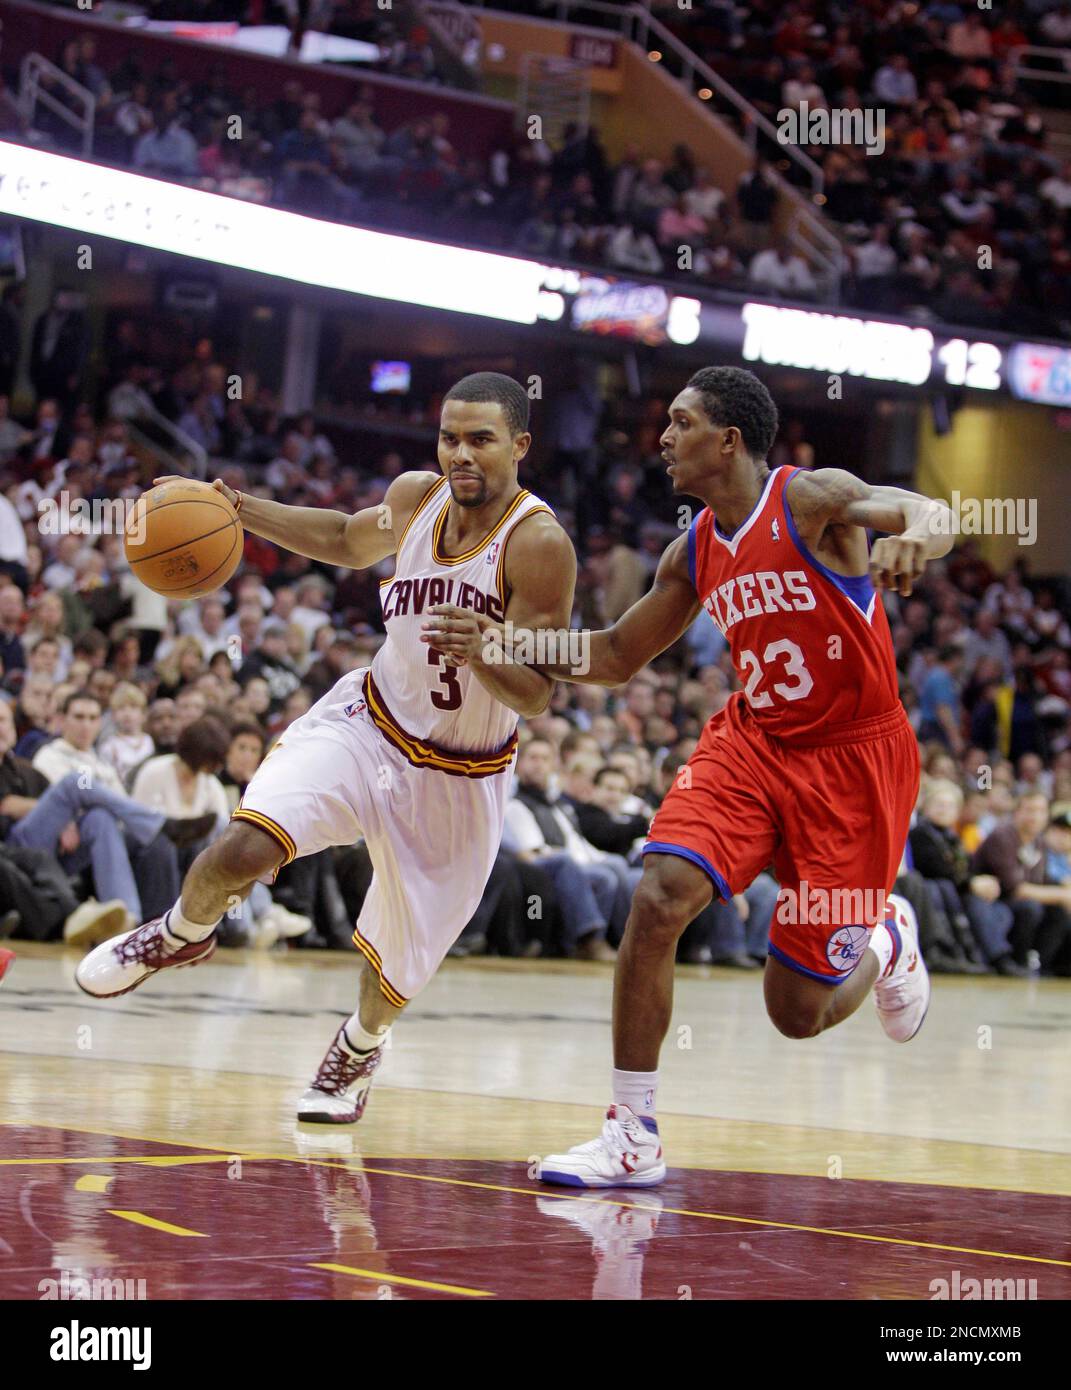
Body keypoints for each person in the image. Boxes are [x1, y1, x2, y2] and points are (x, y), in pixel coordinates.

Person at [490, 366, 952, 1187]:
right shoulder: (692, 549)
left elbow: (919, 509)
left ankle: (885, 938)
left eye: (679, 422)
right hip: (753, 742)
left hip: (854, 762)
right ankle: (631, 1133)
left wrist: (919, 532)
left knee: (795, 1014)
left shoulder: (811, 499)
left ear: (727, 439)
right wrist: (510, 645)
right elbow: (616, 656)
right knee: (660, 892)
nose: (661, 439)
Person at [75, 373, 576, 1126]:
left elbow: (539, 693)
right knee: (243, 847)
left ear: (520, 445)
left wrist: (484, 653)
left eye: (481, 439)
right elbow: (345, 539)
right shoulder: (416, 497)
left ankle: (360, 1047)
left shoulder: (538, 545)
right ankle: (181, 933)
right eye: (449, 437)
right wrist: (235, 510)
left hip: (458, 775)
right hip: (366, 726)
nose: (460, 453)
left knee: (394, 974)